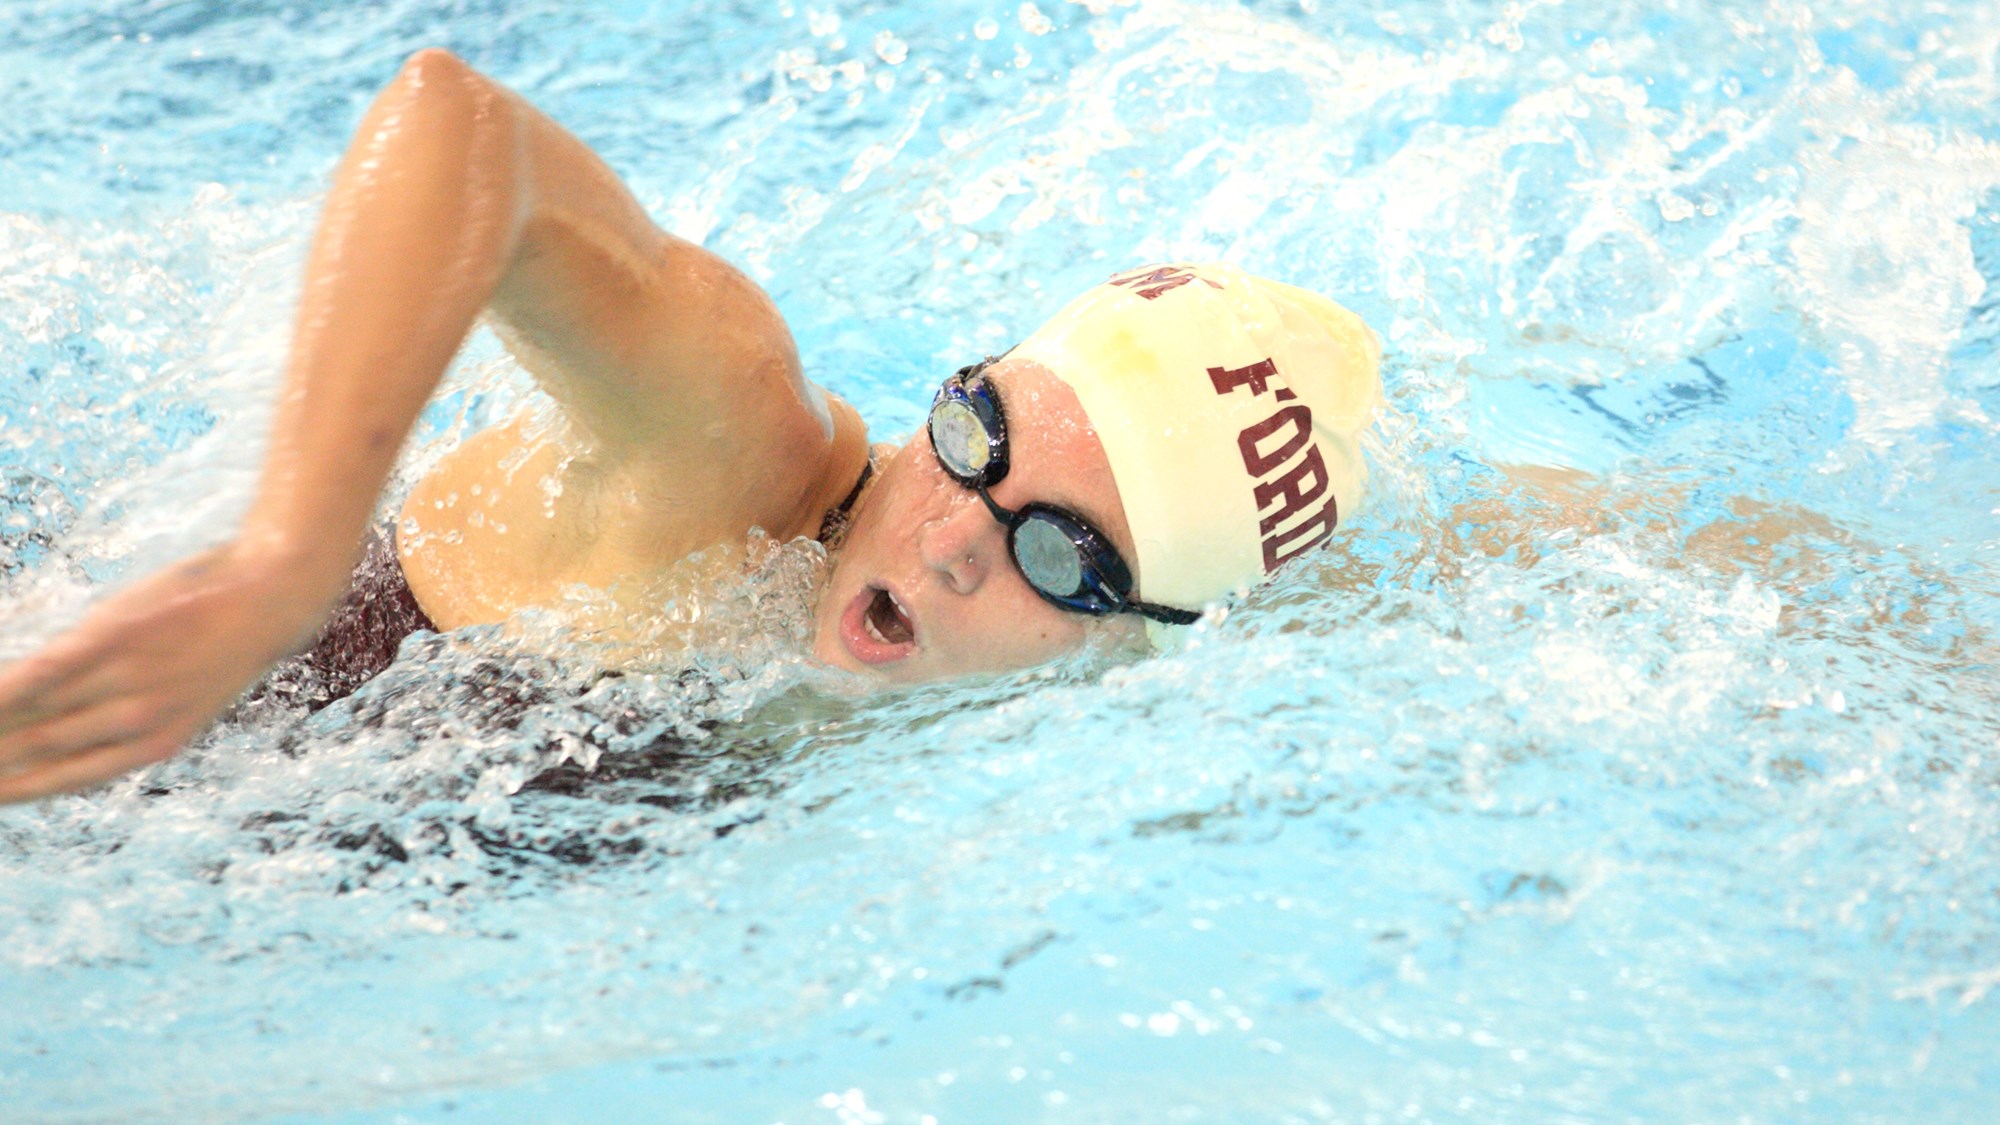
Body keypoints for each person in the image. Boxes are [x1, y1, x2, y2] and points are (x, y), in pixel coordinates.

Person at [0, 50, 1382, 804]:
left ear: (1132, 635)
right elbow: (456, 123)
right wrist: (283, 558)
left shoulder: (1116, 661)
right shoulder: (733, 434)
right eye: (977, 436)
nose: (958, 534)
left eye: (1064, 556)